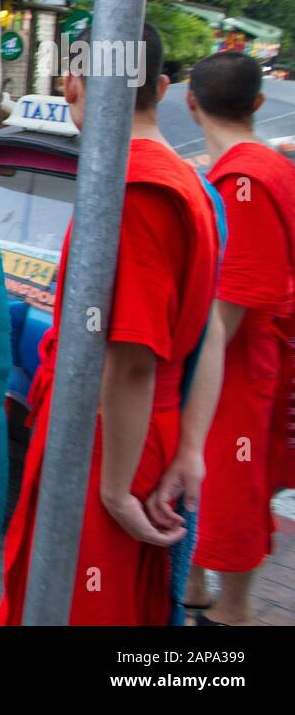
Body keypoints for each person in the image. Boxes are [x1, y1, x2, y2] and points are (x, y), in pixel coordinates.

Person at [0, 24, 223, 625]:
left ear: (73, 85)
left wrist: (116, 490)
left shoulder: (139, 188)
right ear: (164, 88)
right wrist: (190, 446)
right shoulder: (187, 183)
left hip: (105, 440)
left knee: (85, 606)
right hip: (137, 429)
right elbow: (212, 330)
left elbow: (131, 362)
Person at [185, 52, 295, 626]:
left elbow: (231, 312)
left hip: (237, 360)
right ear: (256, 103)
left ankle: (233, 612)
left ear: (190, 101)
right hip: (244, 355)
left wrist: (183, 364)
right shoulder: (262, 165)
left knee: (230, 480)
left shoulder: (246, 178)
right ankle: (197, 585)